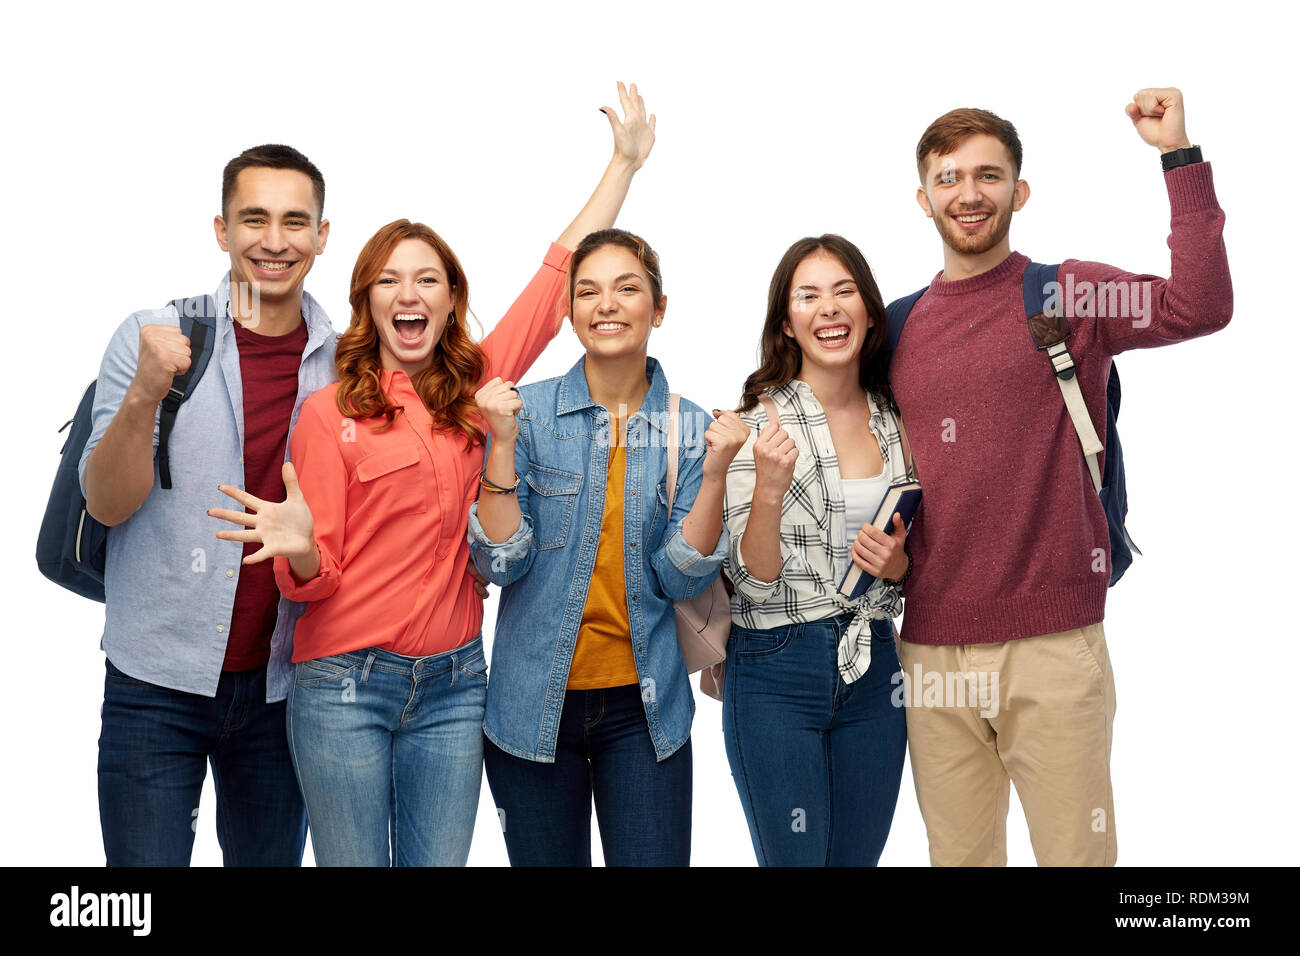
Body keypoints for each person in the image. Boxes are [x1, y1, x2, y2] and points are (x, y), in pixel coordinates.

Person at [209, 83, 658, 866]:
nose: (408, 294)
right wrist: (301, 547)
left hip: (454, 687)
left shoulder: (474, 393)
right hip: (343, 687)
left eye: (427, 280)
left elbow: (553, 285)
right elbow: (311, 581)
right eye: (388, 280)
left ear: (451, 300)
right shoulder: (328, 413)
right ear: (367, 303)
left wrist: (622, 165)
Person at [888, 88, 1232, 866]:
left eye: (987, 175)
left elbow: (1200, 305)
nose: (968, 194)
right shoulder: (898, 325)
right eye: (948, 178)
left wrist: (1177, 157)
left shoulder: (1067, 292)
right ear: (922, 198)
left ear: (1019, 190)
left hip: (1052, 641)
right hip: (931, 652)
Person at [80, 144, 332, 866]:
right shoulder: (155, 337)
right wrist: (144, 394)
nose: (275, 241)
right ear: (222, 230)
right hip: (156, 680)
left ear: (321, 235)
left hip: (287, 687)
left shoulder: (346, 363)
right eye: (254, 219)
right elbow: (104, 503)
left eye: (295, 221)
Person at [467, 228, 746, 866]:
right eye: (587, 291)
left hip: (644, 712)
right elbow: (501, 563)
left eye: (627, 288)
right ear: (568, 312)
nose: (607, 304)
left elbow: (680, 580)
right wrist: (502, 444)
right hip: (531, 706)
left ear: (660, 306)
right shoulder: (525, 414)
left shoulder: (693, 426)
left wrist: (716, 474)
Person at [721, 234, 914, 866]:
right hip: (777, 666)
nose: (828, 309)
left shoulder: (898, 419)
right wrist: (771, 490)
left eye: (843, 291)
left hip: (876, 663)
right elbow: (754, 581)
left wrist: (900, 565)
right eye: (809, 296)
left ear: (868, 310)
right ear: (788, 323)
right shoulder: (756, 424)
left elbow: (919, 557)